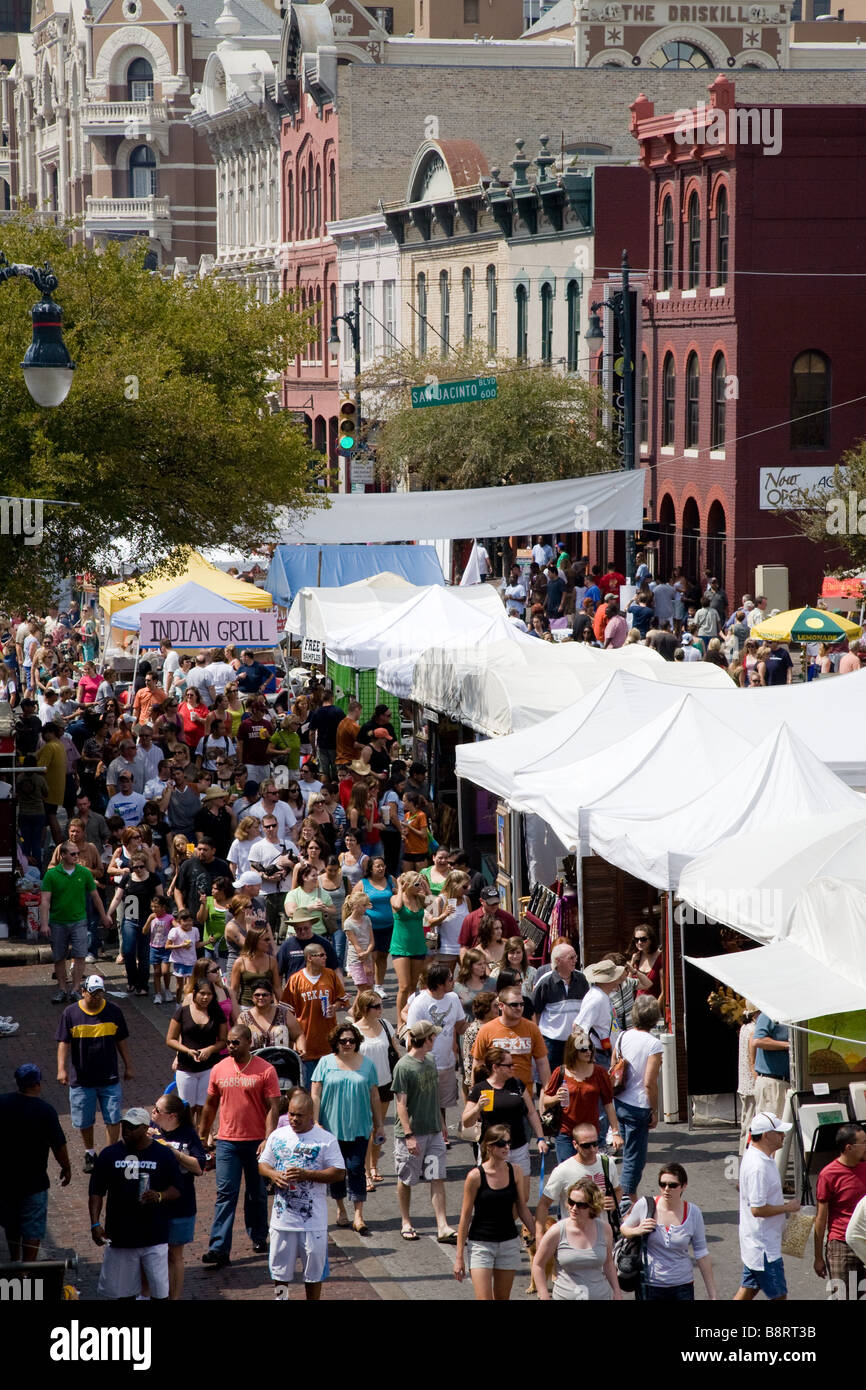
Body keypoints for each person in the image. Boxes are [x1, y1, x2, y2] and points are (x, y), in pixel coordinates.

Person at [198, 1024, 281, 1268]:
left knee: (256, 1193)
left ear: (249, 1042)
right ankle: (219, 1248)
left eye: (236, 1042)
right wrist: (203, 1135)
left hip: (256, 1142)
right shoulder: (218, 1069)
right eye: (228, 1042)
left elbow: (273, 1107)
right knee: (226, 1193)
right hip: (227, 1142)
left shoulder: (265, 1070)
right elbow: (210, 1104)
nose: (231, 1046)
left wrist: (268, 1138)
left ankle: (258, 1235)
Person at [258, 1087, 345, 1300]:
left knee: (313, 1274)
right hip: (282, 1221)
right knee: (280, 1272)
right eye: (291, 1114)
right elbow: (263, 1163)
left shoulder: (326, 1139)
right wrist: (273, 1174)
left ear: (311, 1115)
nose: (294, 1119)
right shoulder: (278, 1135)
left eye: (299, 1115)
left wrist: (307, 1174)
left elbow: (339, 1172)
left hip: (312, 1222)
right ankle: (281, 1299)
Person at [88, 1106, 182, 1301]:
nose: (127, 1130)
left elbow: (176, 1189)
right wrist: (95, 1223)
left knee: (159, 1293)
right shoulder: (109, 1155)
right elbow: (96, 1191)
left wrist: (158, 1196)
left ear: (146, 1127)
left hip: (154, 1237)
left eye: (133, 1126)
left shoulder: (162, 1154)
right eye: (125, 1125)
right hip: (121, 1237)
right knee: (122, 1295)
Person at [311, 1022, 384, 1235]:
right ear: (336, 1042)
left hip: (359, 1125)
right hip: (330, 1127)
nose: (348, 1044)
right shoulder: (325, 1063)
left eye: (352, 1040)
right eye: (343, 1040)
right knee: (337, 1171)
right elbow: (315, 1092)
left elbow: (374, 1095)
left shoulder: (367, 1065)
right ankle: (341, 1209)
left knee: (355, 1168)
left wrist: (379, 1124)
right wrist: (315, 1121)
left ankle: (359, 1215)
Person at [56, 974, 132, 1172]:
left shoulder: (114, 1011)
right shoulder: (70, 1013)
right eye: (92, 993)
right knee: (84, 1120)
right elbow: (64, 1042)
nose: (97, 997)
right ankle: (90, 1152)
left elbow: (121, 1040)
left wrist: (128, 1065)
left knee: (114, 1117)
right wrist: (61, 1068)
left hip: (110, 1077)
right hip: (82, 1080)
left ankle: (110, 1154)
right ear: (83, 992)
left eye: (100, 993)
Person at [454, 1122, 535, 1301]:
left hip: (508, 1242)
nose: (507, 1147)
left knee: (502, 1298)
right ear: (489, 1147)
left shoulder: (516, 1171)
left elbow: (522, 1207)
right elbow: (465, 1217)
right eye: (501, 1143)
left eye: (508, 1143)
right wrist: (459, 1256)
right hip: (481, 1244)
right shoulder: (475, 1176)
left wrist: (540, 1235)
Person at [392, 1020, 457, 1243]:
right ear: (426, 1039)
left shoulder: (430, 1060)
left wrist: (441, 1123)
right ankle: (406, 1221)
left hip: (433, 1131)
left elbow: (434, 1095)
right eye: (433, 1037)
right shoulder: (403, 1066)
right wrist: (408, 1135)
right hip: (412, 1134)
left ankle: (442, 1225)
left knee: (436, 1176)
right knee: (407, 1179)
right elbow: (401, 1104)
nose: (436, 1040)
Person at [0, 1063, 70, 1263]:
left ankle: (14, 1262)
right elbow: (59, 1145)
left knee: (11, 1224)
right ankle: (28, 1269)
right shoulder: (45, 1110)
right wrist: (66, 1168)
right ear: (37, 1084)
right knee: (33, 1226)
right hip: (35, 1181)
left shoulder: (2, 1103)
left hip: (5, 1180)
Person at [620, 1163, 717, 1301]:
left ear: (683, 1186)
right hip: (650, 1285)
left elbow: (701, 1253)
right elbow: (624, 1229)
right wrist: (638, 1230)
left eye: (672, 1185)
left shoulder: (693, 1213)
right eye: (662, 1184)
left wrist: (712, 1294)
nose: (666, 1189)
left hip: (682, 1286)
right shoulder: (645, 1205)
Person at [463, 1046, 548, 1202]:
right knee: (492, 1197)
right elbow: (466, 1122)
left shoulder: (516, 1084)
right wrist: (477, 1108)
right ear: (495, 1067)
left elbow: (531, 1112)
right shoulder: (480, 1089)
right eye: (508, 1065)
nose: (512, 1067)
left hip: (519, 1147)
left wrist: (541, 1138)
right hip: (493, 1150)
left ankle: (508, 1223)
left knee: (522, 1197)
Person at [735, 1112, 800, 1301]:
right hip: (764, 1248)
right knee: (779, 1296)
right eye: (778, 1132)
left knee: (747, 1290)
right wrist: (788, 1207)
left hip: (758, 1244)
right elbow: (757, 1209)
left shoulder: (759, 1157)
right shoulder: (758, 1166)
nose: (783, 1136)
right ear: (765, 1135)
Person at [148, 1093, 207, 1300]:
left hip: (182, 1204)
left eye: (157, 1110)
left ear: (172, 1116)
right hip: (154, 1204)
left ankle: (174, 1297)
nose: (152, 1112)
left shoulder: (188, 1135)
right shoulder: (149, 1130)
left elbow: (200, 1168)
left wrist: (175, 1153)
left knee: (175, 1255)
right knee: (151, 1253)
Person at [41, 839, 113, 1003]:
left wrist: (104, 915)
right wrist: (44, 923)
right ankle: (61, 988)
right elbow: (45, 900)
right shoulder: (51, 875)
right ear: (63, 855)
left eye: (77, 854)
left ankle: (75, 988)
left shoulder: (84, 873)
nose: (76, 856)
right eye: (72, 854)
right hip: (58, 921)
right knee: (59, 957)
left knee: (80, 955)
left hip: (79, 921)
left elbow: (95, 896)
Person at [541, 1028, 623, 1167]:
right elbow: (546, 1100)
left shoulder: (599, 1073)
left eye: (590, 1047)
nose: (588, 1051)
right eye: (583, 1049)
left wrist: (615, 1132)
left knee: (590, 1177)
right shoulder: (560, 1072)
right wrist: (556, 1098)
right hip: (566, 1134)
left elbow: (608, 1104)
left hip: (590, 1135)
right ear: (573, 1051)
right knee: (569, 1177)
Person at [531, 1176, 622, 1301]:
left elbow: (608, 1263)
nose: (573, 1208)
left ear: (593, 1206)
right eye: (571, 1202)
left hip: (601, 1295)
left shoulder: (605, 1229)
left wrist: (617, 1292)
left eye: (581, 1205)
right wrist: (544, 1294)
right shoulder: (557, 1231)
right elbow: (538, 1264)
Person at [406, 961, 466, 1144]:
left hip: (446, 1062)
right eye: (450, 978)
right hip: (425, 1064)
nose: (453, 980)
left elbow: (461, 1026)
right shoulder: (419, 1003)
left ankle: (441, 1135)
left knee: (440, 1104)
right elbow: (412, 1037)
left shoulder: (454, 999)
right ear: (440, 983)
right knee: (424, 1104)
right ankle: (430, 1137)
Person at [613, 995, 663, 1204]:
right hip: (639, 1105)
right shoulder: (654, 1044)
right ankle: (626, 1200)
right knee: (635, 1158)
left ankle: (625, 1196)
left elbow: (614, 1066)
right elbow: (649, 1082)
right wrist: (655, 1110)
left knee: (627, 1153)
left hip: (620, 1100)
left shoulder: (622, 1036)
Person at [352, 989, 403, 1188]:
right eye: (377, 1006)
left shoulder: (385, 1025)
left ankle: (374, 1166)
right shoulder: (353, 1030)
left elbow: (396, 1051)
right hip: (362, 1086)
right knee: (365, 1130)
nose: (381, 1009)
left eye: (381, 1005)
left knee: (377, 1128)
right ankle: (365, 1174)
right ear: (365, 1009)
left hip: (384, 1083)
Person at [282, 941, 349, 1088]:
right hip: (306, 1044)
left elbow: (342, 999)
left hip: (328, 1042)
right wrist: (294, 1040)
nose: (325, 957)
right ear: (309, 958)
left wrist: (335, 1006)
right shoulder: (295, 980)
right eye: (321, 955)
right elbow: (286, 1011)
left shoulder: (330, 975)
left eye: (325, 954)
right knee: (308, 1088)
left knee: (329, 1088)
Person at [166, 976, 228, 1126]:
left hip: (209, 1067)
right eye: (202, 993)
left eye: (209, 994)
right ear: (194, 993)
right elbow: (170, 1039)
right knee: (187, 1107)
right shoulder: (182, 1012)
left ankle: (202, 1138)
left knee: (204, 1107)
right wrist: (187, 1051)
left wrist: (210, 1049)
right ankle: (187, 1138)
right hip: (186, 1068)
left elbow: (223, 1040)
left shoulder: (217, 1013)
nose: (205, 997)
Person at [814, 1122, 866, 1298]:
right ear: (849, 1147)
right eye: (864, 1142)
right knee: (843, 1296)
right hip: (841, 1246)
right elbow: (821, 1218)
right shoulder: (829, 1174)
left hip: (864, 1241)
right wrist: (818, 1257)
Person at [471, 985, 550, 1091]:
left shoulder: (532, 1028)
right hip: (494, 1094)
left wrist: (548, 1090)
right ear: (501, 1006)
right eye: (514, 1005)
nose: (519, 1008)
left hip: (524, 1093)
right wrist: (474, 1094)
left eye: (521, 1004)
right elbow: (478, 1064)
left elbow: (542, 1062)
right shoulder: (486, 1030)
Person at [107, 853, 161, 997]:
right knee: (128, 951)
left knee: (144, 953)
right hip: (130, 917)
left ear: (145, 865)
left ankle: (143, 985)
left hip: (146, 918)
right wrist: (108, 914)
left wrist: (159, 917)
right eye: (135, 867)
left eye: (141, 867)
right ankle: (132, 980)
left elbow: (160, 898)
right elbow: (118, 897)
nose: (138, 869)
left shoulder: (153, 878)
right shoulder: (127, 878)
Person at [532, 940, 589, 1070]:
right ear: (558, 961)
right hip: (551, 1042)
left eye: (576, 957)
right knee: (550, 1078)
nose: (575, 960)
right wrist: (538, 1037)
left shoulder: (582, 979)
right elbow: (536, 1011)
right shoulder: (545, 981)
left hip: (576, 1040)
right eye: (571, 957)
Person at [575, 958, 630, 1070]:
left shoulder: (601, 995)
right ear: (609, 980)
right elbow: (578, 1027)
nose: (618, 980)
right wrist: (587, 1055)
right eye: (616, 977)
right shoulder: (596, 998)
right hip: (600, 1056)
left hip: (606, 1054)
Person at [390, 871, 430, 1021]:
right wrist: (400, 887)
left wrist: (427, 889)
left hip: (418, 946)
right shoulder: (395, 898)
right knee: (404, 986)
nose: (419, 886)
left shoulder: (420, 898)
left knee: (414, 986)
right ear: (407, 885)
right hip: (401, 946)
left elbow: (434, 907)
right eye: (416, 884)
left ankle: (411, 1017)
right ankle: (400, 1021)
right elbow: (398, 905)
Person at [277, 908, 341, 984]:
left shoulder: (324, 943)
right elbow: (278, 973)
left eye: (306, 928)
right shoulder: (287, 946)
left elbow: (336, 969)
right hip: (295, 991)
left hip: (320, 989)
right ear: (294, 928)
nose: (303, 931)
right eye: (299, 929)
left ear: (311, 925)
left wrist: (341, 991)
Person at [361, 857, 395, 991]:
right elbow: (352, 902)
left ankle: (379, 986)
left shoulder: (391, 880)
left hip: (389, 926)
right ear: (370, 869)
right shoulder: (363, 883)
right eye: (377, 866)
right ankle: (369, 986)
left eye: (383, 865)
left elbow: (401, 896)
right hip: (370, 927)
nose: (381, 869)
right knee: (372, 956)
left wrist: (397, 893)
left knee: (382, 956)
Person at [238, 980, 300, 1050]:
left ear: (271, 997)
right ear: (252, 998)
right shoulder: (243, 1018)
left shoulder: (284, 1014)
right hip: (254, 1059)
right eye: (257, 995)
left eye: (264, 995)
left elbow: (298, 1035)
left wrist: (301, 1048)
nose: (261, 997)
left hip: (281, 1059)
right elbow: (238, 1042)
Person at [230, 925, 281, 1009]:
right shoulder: (240, 962)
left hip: (268, 1007)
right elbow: (234, 990)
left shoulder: (272, 961)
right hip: (246, 1007)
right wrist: (234, 1011)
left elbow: (277, 988)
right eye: (266, 940)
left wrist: (285, 1009)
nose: (269, 942)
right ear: (255, 941)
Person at [751, 1011, 791, 1118]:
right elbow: (758, 1040)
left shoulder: (791, 1015)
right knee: (771, 1129)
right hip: (772, 1084)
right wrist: (788, 1045)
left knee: (784, 1129)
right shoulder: (769, 1014)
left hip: (786, 1083)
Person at [458, 884, 518, 952]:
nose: (494, 906)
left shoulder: (508, 918)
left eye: (496, 903)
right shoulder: (470, 919)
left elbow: (517, 942)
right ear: (481, 901)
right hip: (478, 960)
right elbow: (464, 946)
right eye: (491, 903)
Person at [628, 921, 664, 1000]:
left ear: (651, 940)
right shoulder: (636, 957)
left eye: (643, 939)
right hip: (638, 1007)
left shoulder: (660, 958)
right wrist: (632, 962)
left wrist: (655, 1010)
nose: (639, 942)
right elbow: (628, 985)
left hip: (653, 1006)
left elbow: (664, 992)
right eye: (636, 939)